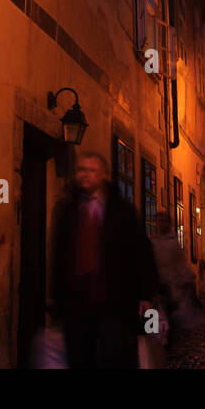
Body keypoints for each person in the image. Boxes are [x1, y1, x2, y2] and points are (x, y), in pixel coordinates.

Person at [50, 150, 162, 368]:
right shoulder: (67, 210)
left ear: (104, 175)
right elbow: (59, 257)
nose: (85, 175)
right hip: (76, 306)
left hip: (115, 304)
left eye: (92, 170)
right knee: (80, 359)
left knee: (115, 359)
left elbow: (141, 253)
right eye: (82, 170)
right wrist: (57, 299)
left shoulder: (122, 211)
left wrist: (145, 294)